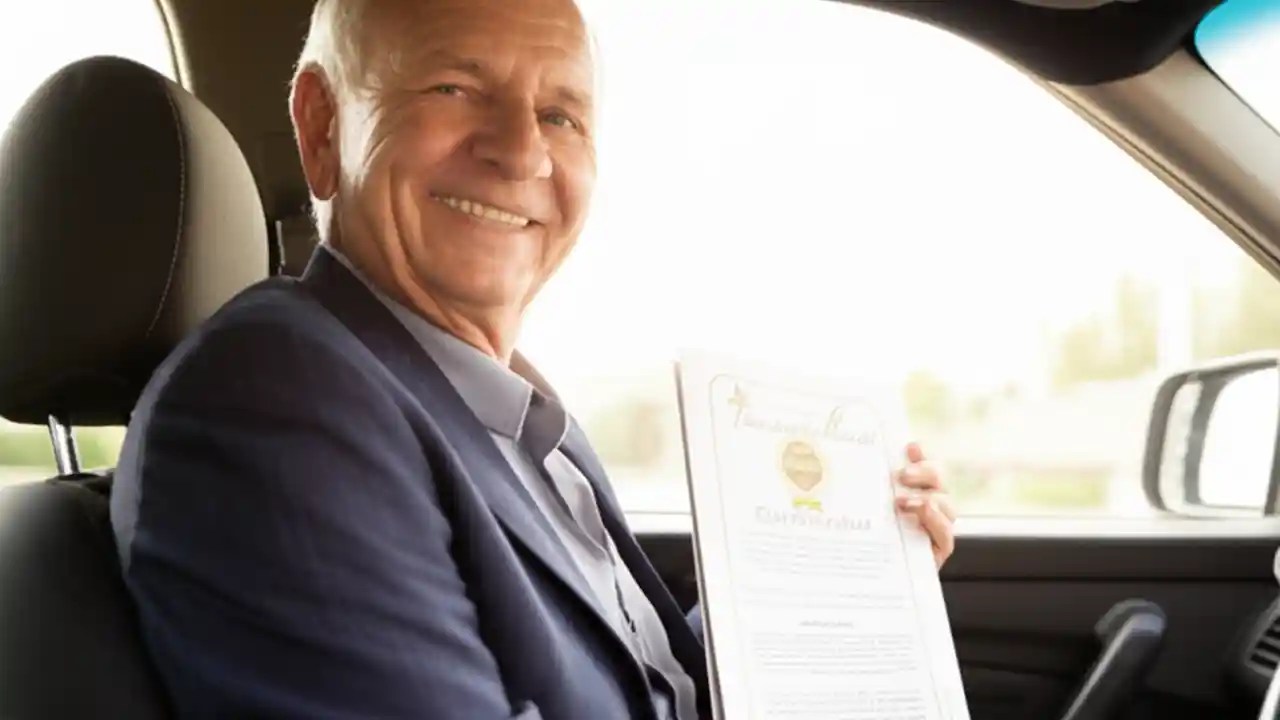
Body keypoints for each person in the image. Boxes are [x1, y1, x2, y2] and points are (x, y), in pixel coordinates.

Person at [110, 0, 957, 717]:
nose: (522, 152)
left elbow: (634, 683)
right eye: (454, 87)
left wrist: (840, 575)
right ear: (325, 127)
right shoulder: (275, 402)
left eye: (561, 115)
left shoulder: (510, 416)